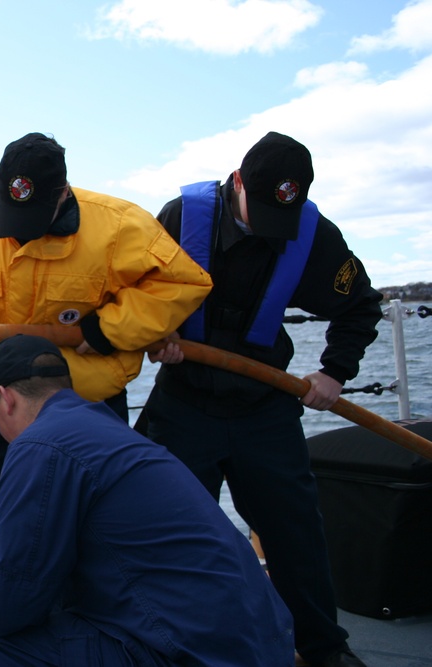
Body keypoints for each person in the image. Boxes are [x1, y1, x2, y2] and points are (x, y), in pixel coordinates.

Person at [0, 132, 213, 587]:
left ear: (62, 194)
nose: (18, 228)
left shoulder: (119, 226)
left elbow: (182, 284)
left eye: (31, 217)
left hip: (91, 407)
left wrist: (108, 328)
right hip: (11, 406)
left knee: (99, 531)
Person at [144, 132, 383, 667]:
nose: (275, 227)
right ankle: (163, 649)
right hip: (183, 403)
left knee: (296, 534)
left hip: (264, 405)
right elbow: (131, 295)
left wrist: (335, 373)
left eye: (286, 214)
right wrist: (155, 335)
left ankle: (324, 649)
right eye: (264, 211)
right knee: (159, 530)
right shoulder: (180, 218)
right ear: (236, 184)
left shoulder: (313, 233)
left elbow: (361, 307)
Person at [0, 335, 294, 666]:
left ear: (6, 399)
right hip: (260, 643)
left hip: (186, 653)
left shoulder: (41, 444)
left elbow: (5, 604)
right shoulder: (108, 430)